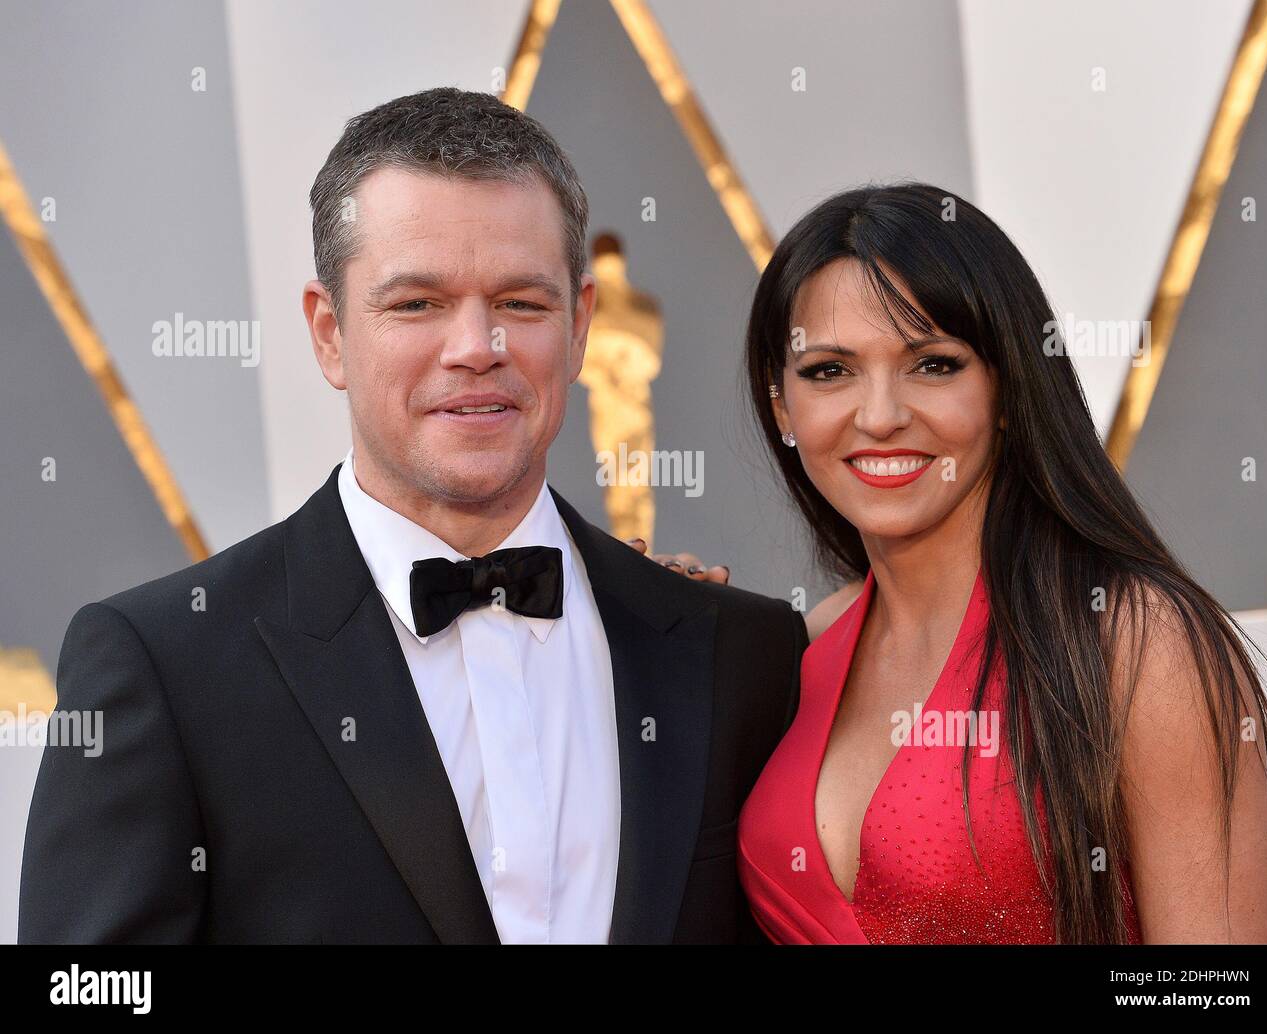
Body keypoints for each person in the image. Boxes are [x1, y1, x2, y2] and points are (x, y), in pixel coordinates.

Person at [17, 88, 805, 944]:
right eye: (417, 304)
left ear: (579, 327)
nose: (476, 346)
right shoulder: (166, 666)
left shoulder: (740, 655)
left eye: (521, 303)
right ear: (329, 333)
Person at [662, 183, 1267, 943]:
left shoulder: (1137, 642)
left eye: (932, 365)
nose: (882, 415)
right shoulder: (807, 646)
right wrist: (655, 632)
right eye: (830, 370)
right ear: (782, 405)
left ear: (1007, 387)